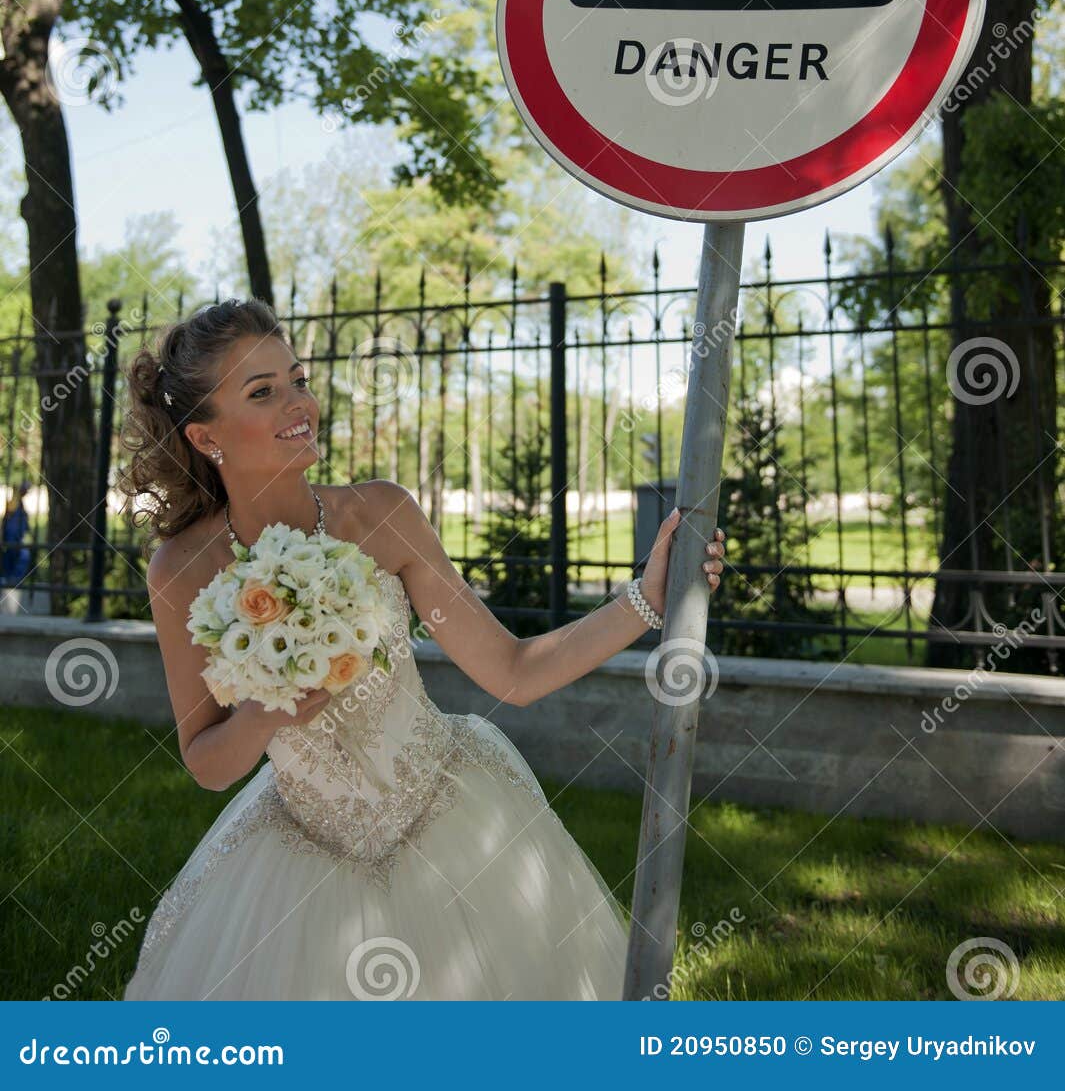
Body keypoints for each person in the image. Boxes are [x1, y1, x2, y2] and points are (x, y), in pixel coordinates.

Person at [118, 299, 725, 1002]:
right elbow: (207, 763)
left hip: (453, 826)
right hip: (297, 869)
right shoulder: (183, 570)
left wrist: (644, 599)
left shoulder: (380, 514)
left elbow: (513, 672)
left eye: (297, 379)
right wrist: (264, 715)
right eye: (263, 393)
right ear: (204, 436)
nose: (299, 403)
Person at [1, 483, 32, 587]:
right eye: (25, 490)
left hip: (16, 537)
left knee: (19, 556)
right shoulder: (14, 502)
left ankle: (12, 579)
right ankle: (11, 579)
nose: (27, 492)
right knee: (18, 556)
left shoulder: (18, 503)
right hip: (12, 537)